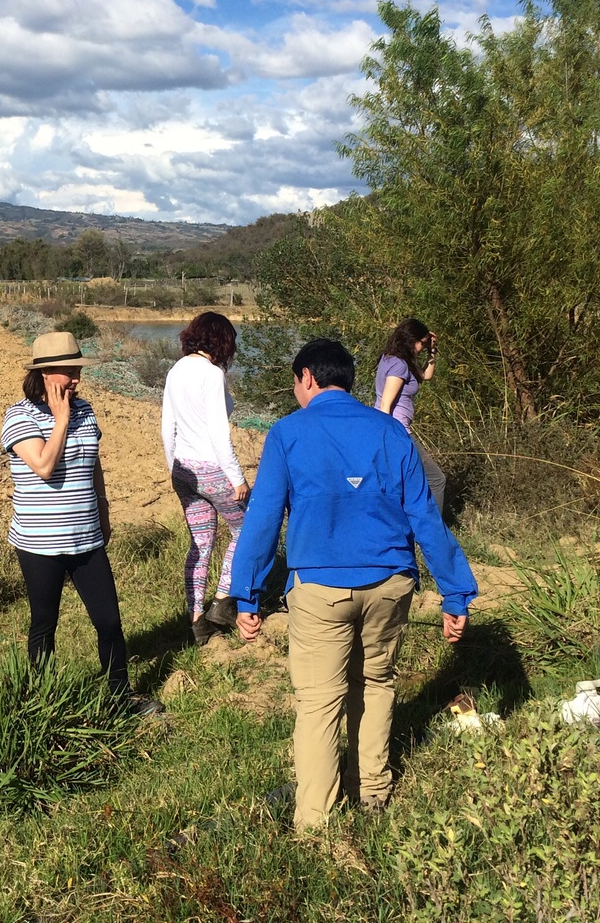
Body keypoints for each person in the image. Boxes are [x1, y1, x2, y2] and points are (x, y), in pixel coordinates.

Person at [230, 338, 477, 831]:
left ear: (307, 378)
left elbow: (262, 521)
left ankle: (317, 822)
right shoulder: (390, 431)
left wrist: (247, 593)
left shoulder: (287, 433)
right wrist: (456, 592)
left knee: (320, 702)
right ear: (348, 379)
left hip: (319, 590)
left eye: (296, 382)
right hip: (390, 583)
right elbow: (425, 516)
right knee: (376, 683)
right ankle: (374, 792)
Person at [1, 331, 157, 714]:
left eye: (78, 372)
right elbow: (43, 466)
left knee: (109, 621)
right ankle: (42, 705)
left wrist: (103, 510)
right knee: (44, 625)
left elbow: (95, 461)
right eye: (68, 373)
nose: (76, 380)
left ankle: (120, 698)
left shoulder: (86, 410)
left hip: (86, 538)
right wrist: (60, 420)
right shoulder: (18, 416)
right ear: (43, 374)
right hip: (40, 543)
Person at [161, 310, 250, 645]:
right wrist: (237, 478)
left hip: (184, 470)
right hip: (213, 469)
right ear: (222, 341)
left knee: (200, 544)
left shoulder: (176, 370)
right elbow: (219, 434)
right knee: (246, 527)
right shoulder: (211, 374)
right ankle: (223, 601)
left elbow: (167, 427)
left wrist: (176, 468)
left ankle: (196, 620)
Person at [375, 317, 446, 510]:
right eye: (421, 343)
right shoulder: (399, 365)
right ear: (410, 339)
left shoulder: (390, 359)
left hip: (393, 431)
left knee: (401, 485)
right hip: (397, 432)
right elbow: (385, 406)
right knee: (436, 480)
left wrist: (432, 351)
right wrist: (390, 439)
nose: (422, 347)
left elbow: (426, 376)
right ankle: (433, 535)